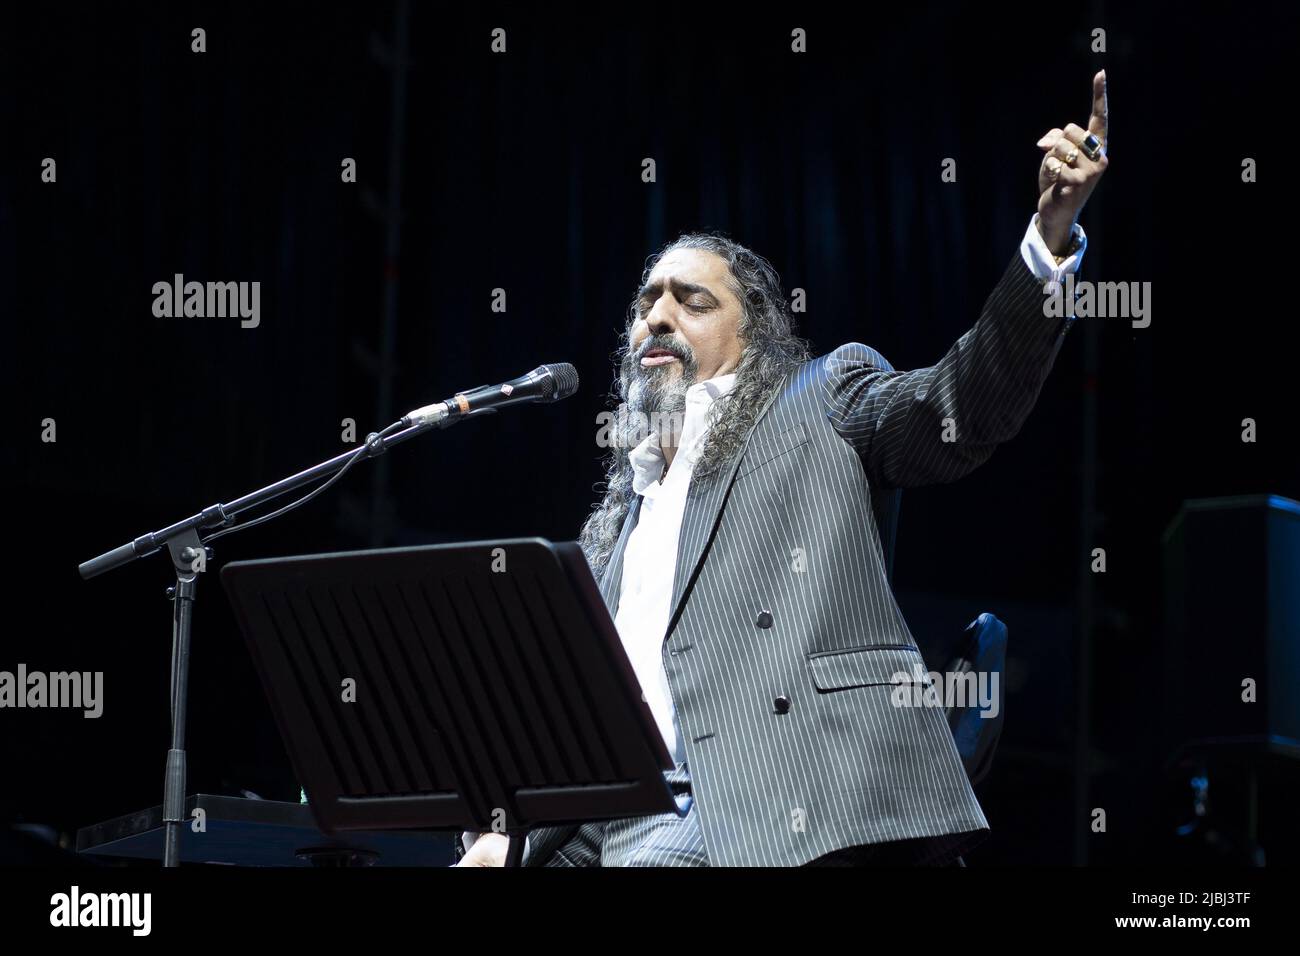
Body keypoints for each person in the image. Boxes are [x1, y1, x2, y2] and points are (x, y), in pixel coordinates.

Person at [458, 71, 1109, 867]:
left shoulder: (819, 397)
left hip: (766, 791)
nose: (658, 315)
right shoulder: (616, 520)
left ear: (753, 333)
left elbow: (963, 406)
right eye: (647, 302)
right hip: (605, 818)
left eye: (692, 302)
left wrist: (1048, 242)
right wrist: (503, 832)